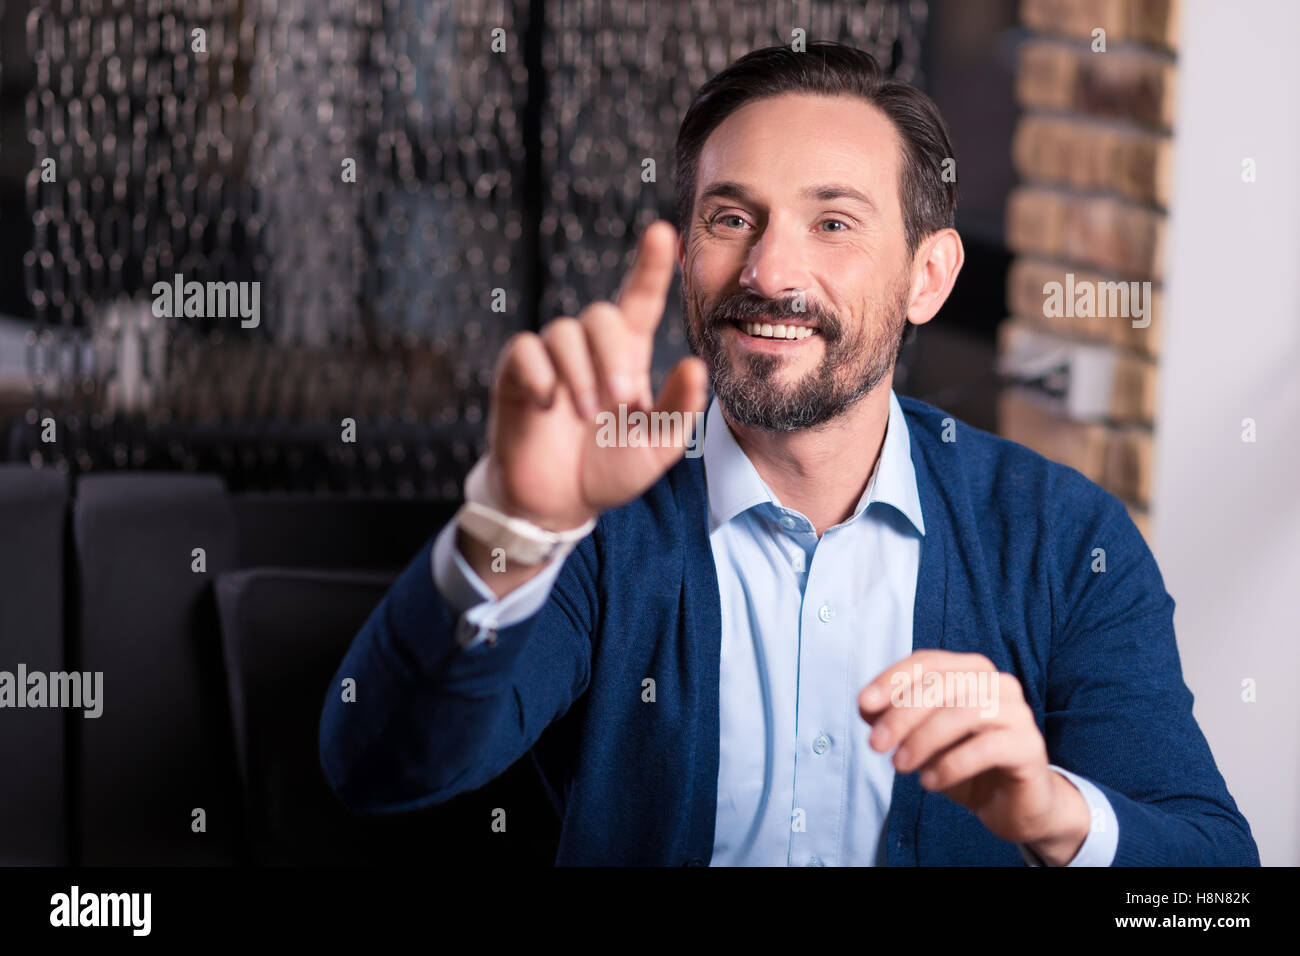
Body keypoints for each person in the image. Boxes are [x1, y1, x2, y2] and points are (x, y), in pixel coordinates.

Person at [318, 41, 1258, 866]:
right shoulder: (600, 518)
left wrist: (1053, 814)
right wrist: (517, 522)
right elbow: (379, 767)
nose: (770, 272)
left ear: (927, 278)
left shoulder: (1063, 539)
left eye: (834, 223)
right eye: (732, 219)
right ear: (687, 256)